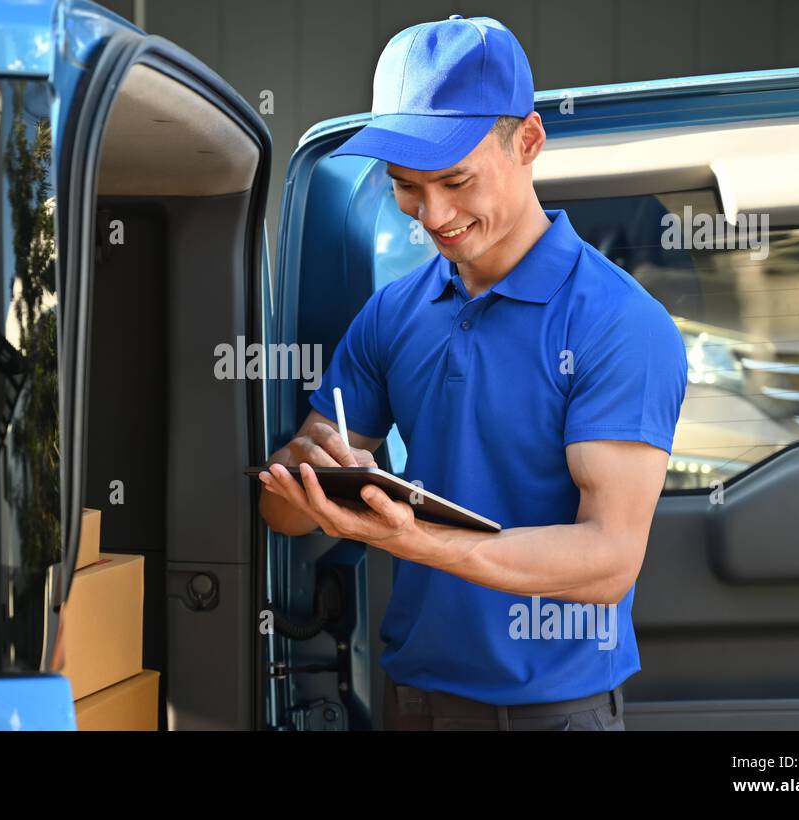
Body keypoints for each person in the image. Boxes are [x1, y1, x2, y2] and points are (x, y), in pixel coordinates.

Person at [257, 15, 688, 731]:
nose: (433, 215)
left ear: (529, 142)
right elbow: (282, 514)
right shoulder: (392, 315)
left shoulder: (618, 323)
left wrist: (412, 540)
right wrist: (304, 479)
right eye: (405, 188)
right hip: (415, 702)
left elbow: (608, 558)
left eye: (456, 180)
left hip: (556, 712)